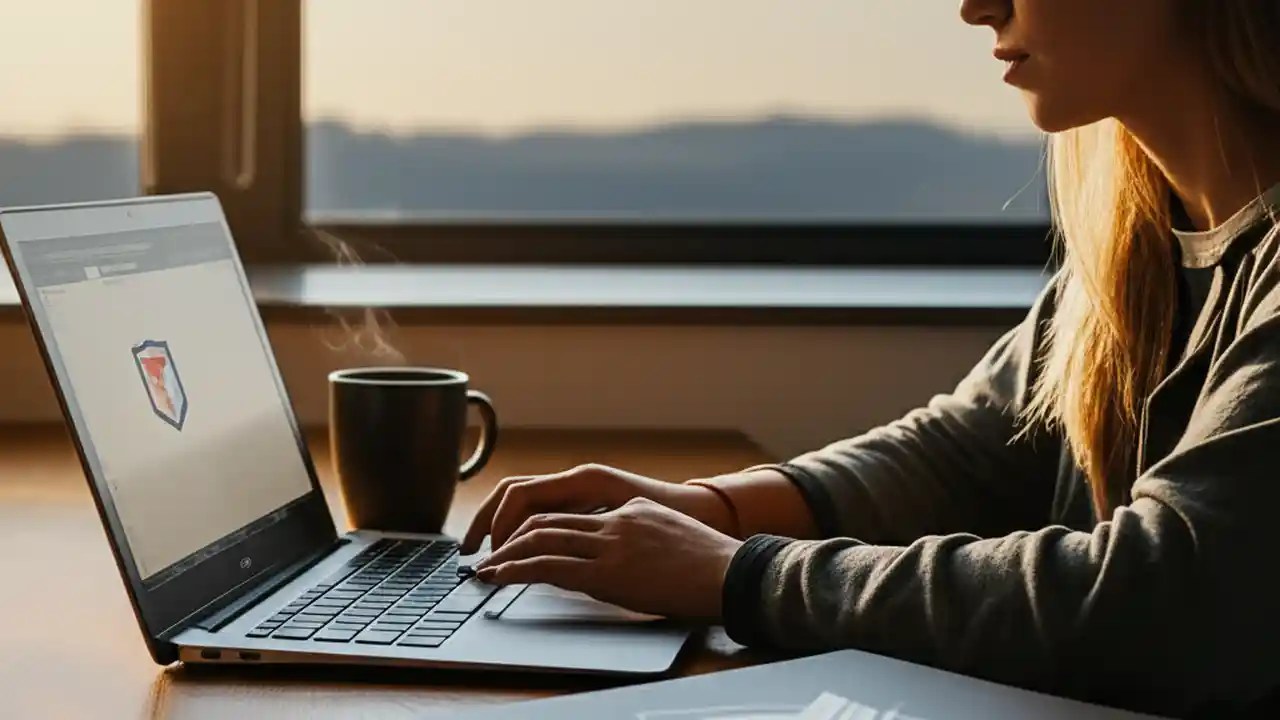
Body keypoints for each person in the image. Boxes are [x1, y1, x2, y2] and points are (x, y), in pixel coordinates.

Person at [461, 1, 1280, 715]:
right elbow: (974, 450)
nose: (977, 7)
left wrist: (739, 576)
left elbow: (1164, 601)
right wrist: (714, 509)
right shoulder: (1138, 247)